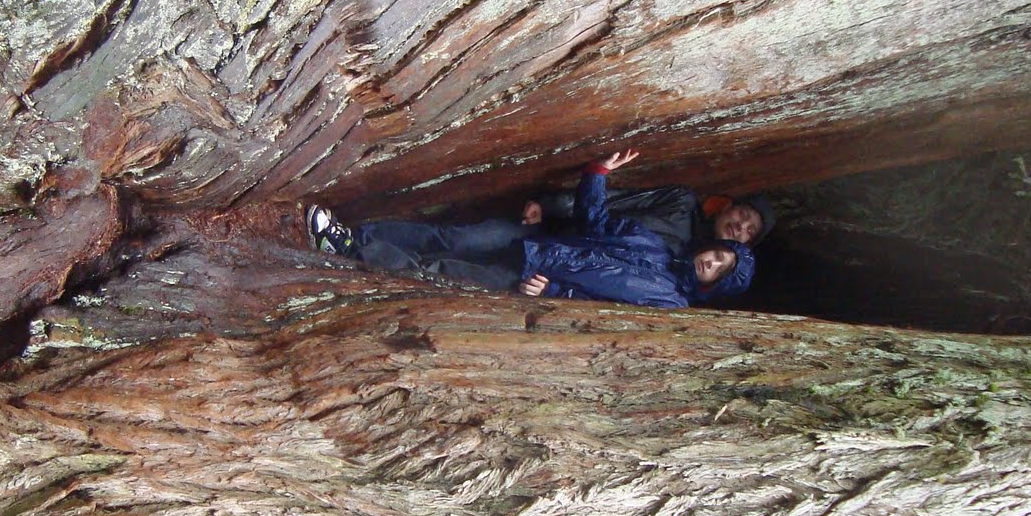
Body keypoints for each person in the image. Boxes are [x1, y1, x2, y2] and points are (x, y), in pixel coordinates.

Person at [304, 148, 754, 308]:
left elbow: (605, 307)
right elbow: (595, 221)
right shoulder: (656, 249)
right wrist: (597, 174)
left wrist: (554, 294)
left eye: (718, 269)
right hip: (538, 242)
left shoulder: (668, 300)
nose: (711, 261)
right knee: (454, 238)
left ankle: (345, 250)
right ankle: (358, 233)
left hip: (533, 280)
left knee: (438, 268)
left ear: (713, 285)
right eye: (719, 254)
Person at [522, 185, 775, 250]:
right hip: (549, 229)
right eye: (743, 214)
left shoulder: (697, 273)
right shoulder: (681, 202)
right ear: (725, 207)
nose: (741, 226)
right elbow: (614, 198)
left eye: (750, 231)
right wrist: (550, 206)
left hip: (548, 272)